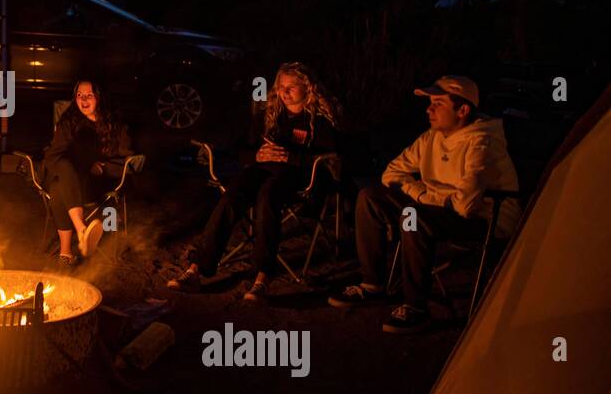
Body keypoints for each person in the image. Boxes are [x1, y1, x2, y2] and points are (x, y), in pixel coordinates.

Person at [330, 76, 520, 334]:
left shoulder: (482, 143)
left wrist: (420, 194)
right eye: (430, 103)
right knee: (370, 197)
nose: (428, 109)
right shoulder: (431, 138)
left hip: (487, 218)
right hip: (437, 208)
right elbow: (391, 174)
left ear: (462, 110)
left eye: (438, 104)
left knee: (414, 214)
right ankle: (372, 284)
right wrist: (419, 192)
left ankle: (416, 306)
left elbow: (465, 206)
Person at [169, 62, 340, 300]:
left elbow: (329, 160)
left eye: (291, 87)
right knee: (230, 198)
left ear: (308, 88)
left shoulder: (319, 120)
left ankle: (262, 278)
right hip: (261, 170)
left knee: (267, 197)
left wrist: (293, 157)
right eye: (281, 86)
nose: (284, 92)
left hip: (295, 177)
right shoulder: (270, 114)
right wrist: (256, 155)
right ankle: (196, 270)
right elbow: (243, 150)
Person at [44, 80, 134, 265]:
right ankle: (82, 230)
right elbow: (53, 156)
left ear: (99, 98)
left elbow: (126, 160)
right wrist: (85, 165)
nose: (83, 99)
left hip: (99, 182)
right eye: (79, 95)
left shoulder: (115, 125)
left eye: (89, 95)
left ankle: (66, 252)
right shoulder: (69, 123)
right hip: (69, 175)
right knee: (63, 169)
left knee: (58, 186)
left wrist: (102, 168)